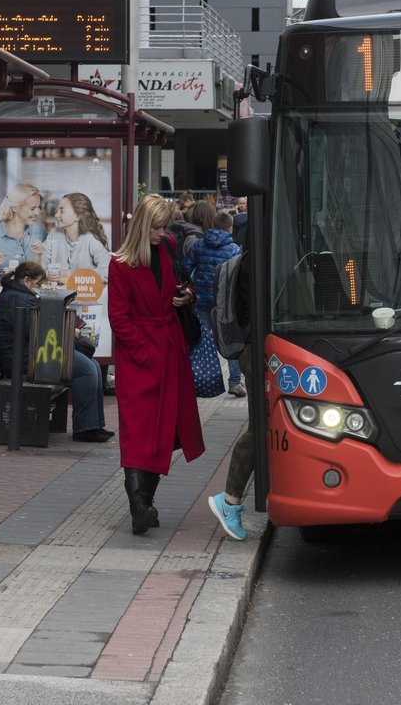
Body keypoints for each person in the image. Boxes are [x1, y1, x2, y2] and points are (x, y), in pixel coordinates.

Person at [108, 193, 206, 535]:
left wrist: (187, 295)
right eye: (157, 227)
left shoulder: (167, 247)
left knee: (164, 428)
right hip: (140, 356)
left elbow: (184, 283)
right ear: (141, 225)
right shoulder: (120, 264)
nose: (163, 233)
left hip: (169, 347)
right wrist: (144, 353)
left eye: (165, 227)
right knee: (139, 430)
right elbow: (119, 319)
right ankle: (139, 505)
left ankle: (144, 505)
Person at [0, 261, 113, 443]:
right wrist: (68, 331)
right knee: (87, 369)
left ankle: (93, 425)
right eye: (38, 283)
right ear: (26, 280)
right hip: (25, 361)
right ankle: (85, 428)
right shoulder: (17, 299)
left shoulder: (18, 295)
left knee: (92, 366)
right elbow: (38, 330)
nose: (40, 287)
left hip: (32, 355)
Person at [208, 253, 257, 542]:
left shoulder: (253, 256)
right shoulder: (257, 260)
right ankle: (229, 501)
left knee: (263, 427)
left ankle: (230, 501)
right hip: (259, 352)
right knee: (261, 428)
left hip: (260, 350)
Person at [185, 207, 243, 396]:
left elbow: (186, 267)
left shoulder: (199, 245)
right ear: (230, 228)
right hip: (223, 301)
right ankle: (235, 382)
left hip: (201, 299)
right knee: (229, 338)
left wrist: (194, 284)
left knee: (202, 339)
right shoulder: (234, 249)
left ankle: (199, 377)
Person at [0, 181, 46, 279]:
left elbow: (45, 269)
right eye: (33, 209)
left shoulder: (38, 231)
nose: (37, 213)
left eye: (38, 207)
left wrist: (39, 257)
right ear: (15, 208)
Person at [42, 192, 110, 281]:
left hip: (83, 290)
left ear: (77, 216)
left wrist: (70, 274)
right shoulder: (54, 234)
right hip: (56, 289)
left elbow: (108, 271)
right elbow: (42, 262)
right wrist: (47, 272)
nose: (56, 215)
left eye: (62, 211)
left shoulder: (91, 239)